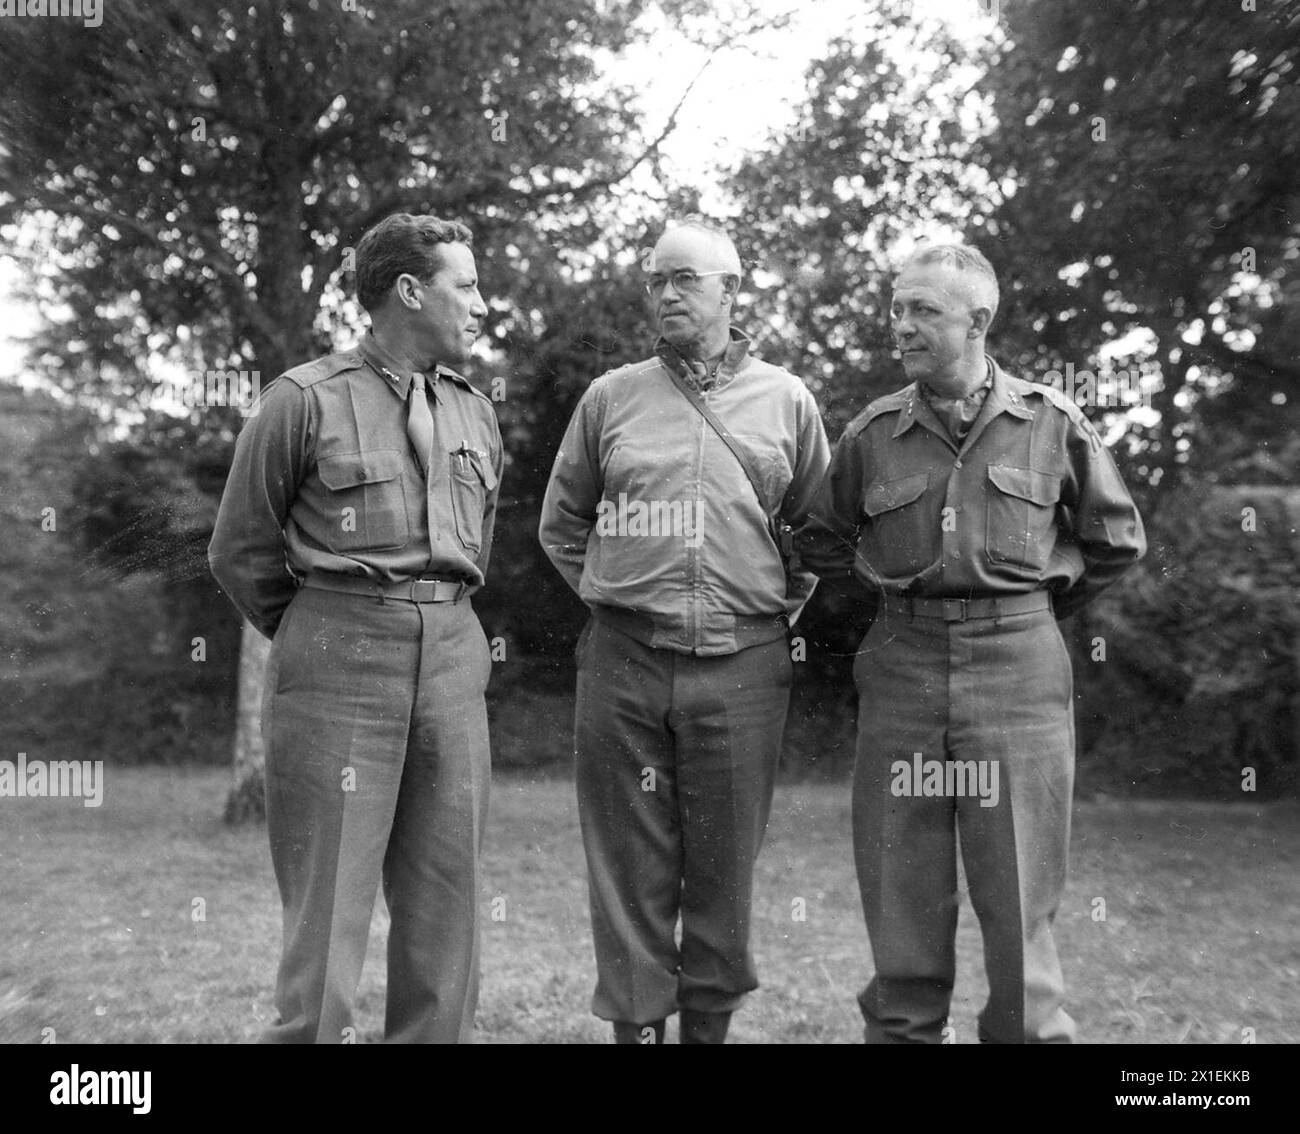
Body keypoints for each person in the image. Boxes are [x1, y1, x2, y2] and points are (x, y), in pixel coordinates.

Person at [798, 243, 1146, 1044]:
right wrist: (892, 591)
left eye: (922, 309)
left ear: (977, 321)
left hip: (1018, 670)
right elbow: (821, 538)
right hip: (903, 668)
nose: (901, 325)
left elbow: (1115, 540)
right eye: (897, 308)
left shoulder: (1051, 423)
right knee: (900, 880)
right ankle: (905, 1032)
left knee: (1018, 890)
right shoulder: (873, 433)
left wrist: (1028, 606)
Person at [208, 213, 502, 1043]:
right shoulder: (302, 402)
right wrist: (326, 628)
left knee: (448, 907)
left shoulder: (475, 413)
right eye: (466, 285)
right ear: (409, 291)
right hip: (337, 663)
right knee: (328, 915)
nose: (482, 304)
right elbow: (240, 550)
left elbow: (475, 548)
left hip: (453, 661)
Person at [539, 218, 831, 1044]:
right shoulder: (611, 398)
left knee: (724, 869)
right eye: (656, 280)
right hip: (623, 663)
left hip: (745, 667)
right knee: (627, 867)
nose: (666, 294)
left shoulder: (787, 400)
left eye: (685, 279)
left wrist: (762, 615)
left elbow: (816, 538)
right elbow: (562, 525)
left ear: (731, 290)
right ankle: (637, 1030)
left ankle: (707, 1035)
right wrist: (621, 597)